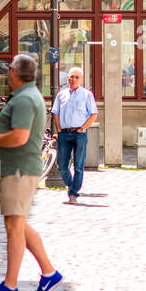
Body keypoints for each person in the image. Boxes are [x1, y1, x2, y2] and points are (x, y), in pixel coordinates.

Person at [0, 54, 61, 291]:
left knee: (14, 227)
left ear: (15, 72)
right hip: (18, 169)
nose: (7, 72)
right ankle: (49, 273)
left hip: (18, 170)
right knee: (17, 224)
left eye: (9, 68)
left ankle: (10, 286)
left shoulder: (24, 99)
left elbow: (19, 137)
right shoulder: (28, 95)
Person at [51, 66, 98, 204]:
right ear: (68, 78)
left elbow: (93, 114)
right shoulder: (61, 95)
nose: (74, 79)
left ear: (81, 79)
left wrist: (83, 128)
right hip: (64, 133)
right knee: (61, 165)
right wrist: (59, 129)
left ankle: (73, 193)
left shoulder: (87, 95)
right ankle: (71, 185)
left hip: (79, 134)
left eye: (77, 77)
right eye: (71, 76)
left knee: (78, 166)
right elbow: (56, 113)